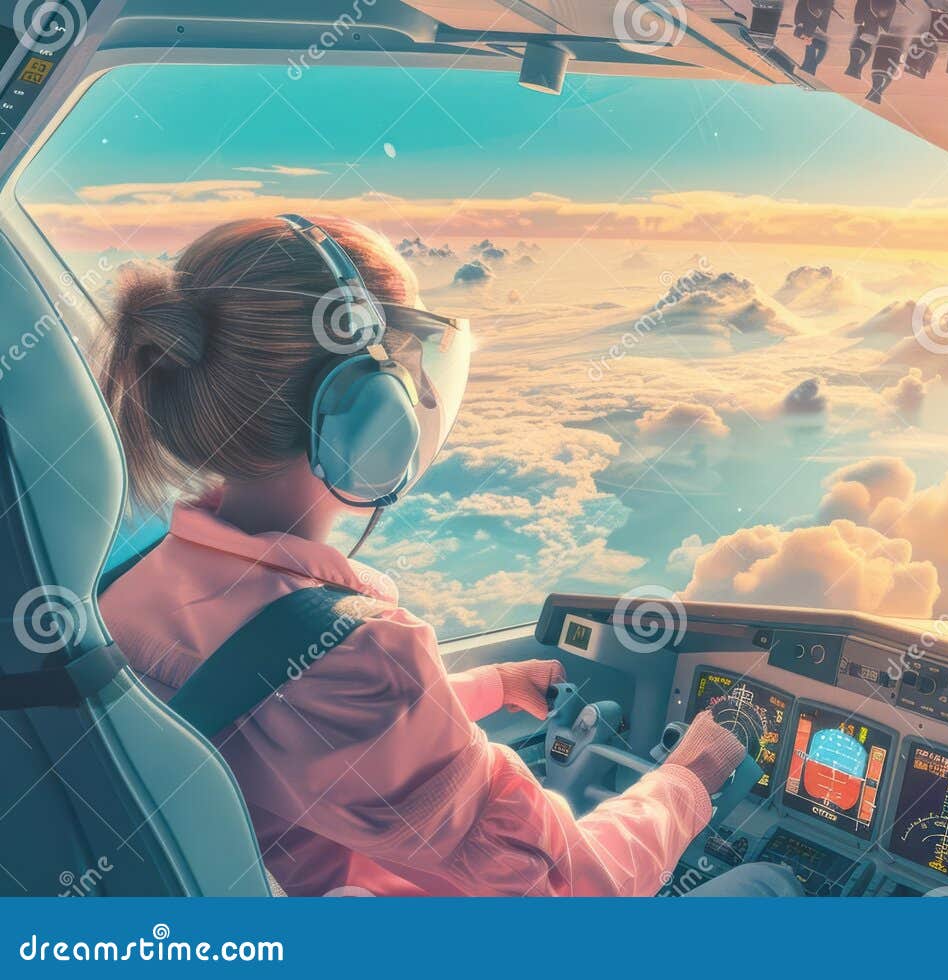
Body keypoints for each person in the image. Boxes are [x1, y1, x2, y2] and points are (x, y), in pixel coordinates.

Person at [96, 215, 797, 898]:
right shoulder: (361, 656)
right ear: (367, 407)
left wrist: (492, 685)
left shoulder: (131, 587)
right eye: (406, 368)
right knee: (771, 884)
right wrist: (689, 776)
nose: (424, 393)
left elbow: (302, 732)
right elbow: (578, 888)